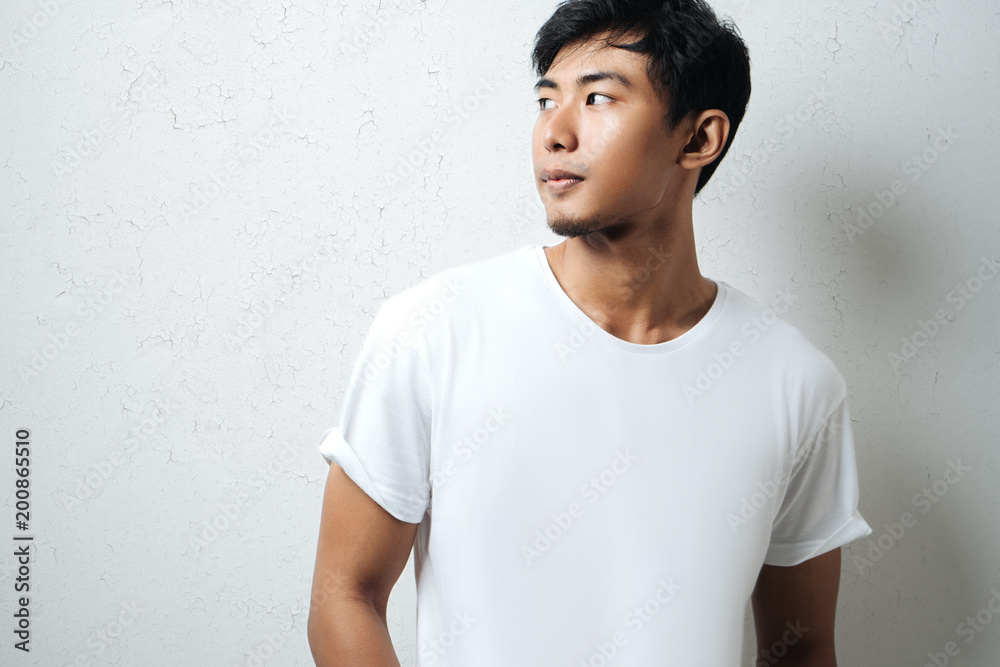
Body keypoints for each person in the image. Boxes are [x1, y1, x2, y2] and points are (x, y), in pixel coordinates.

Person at [308, 1, 873, 664]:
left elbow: (801, 645)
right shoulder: (432, 330)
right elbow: (344, 594)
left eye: (598, 97)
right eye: (547, 99)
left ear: (699, 139)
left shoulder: (795, 381)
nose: (555, 130)